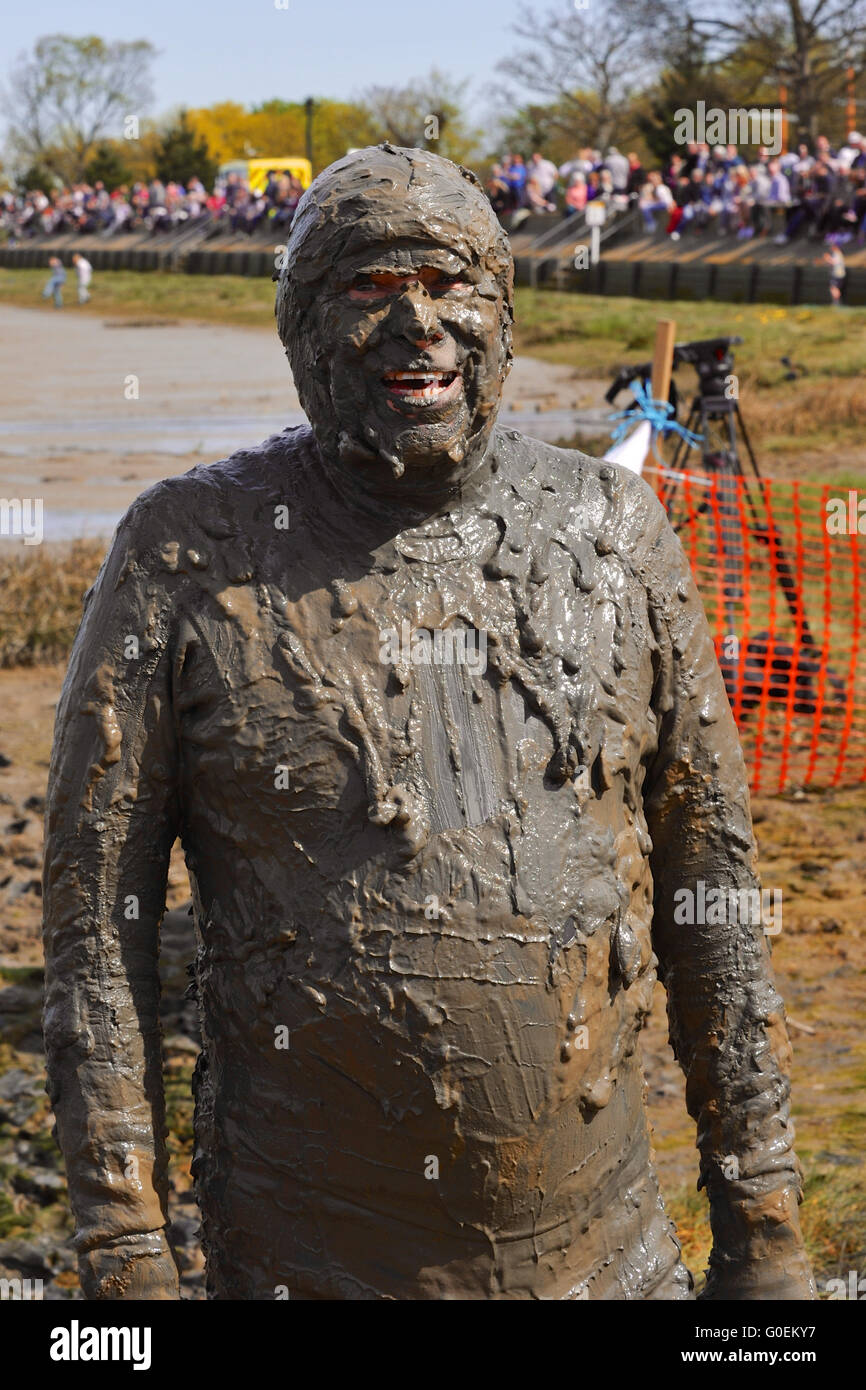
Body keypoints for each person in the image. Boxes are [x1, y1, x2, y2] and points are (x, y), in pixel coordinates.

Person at [44, 144, 816, 1303]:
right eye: (367, 288)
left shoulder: (610, 534)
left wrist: (762, 1230)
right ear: (299, 326)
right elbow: (100, 920)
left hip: (608, 1260)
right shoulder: (188, 551)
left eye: (452, 283)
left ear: (501, 312)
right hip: (300, 1259)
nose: (418, 322)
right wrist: (124, 1254)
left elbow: (710, 892)